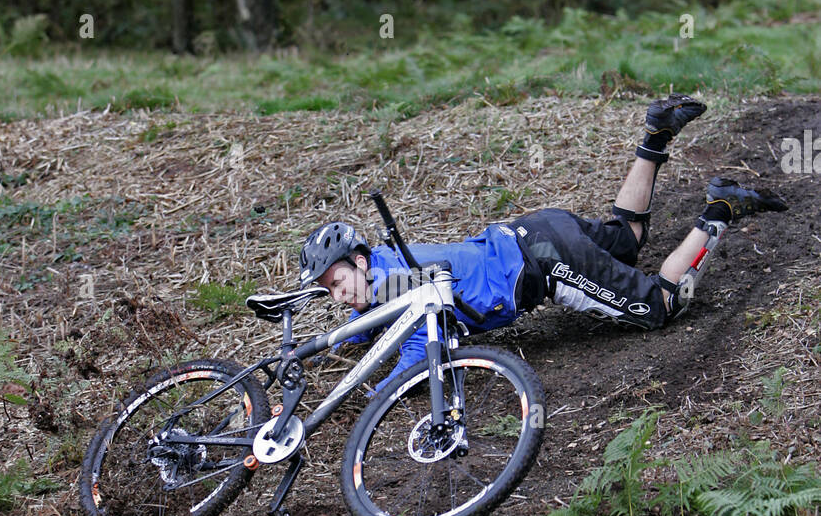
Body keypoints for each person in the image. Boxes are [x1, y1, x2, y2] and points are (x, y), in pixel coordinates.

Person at [298, 97, 788, 384]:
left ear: (360, 261)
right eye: (329, 290)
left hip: (545, 262)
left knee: (661, 305)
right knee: (627, 237)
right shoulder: (382, 270)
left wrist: (372, 388)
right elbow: (369, 321)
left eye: (338, 280)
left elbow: (421, 354)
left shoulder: (391, 281)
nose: (339, 294)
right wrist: (324, 345)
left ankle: (721, 210)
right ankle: (657, 131)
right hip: (536, 229)